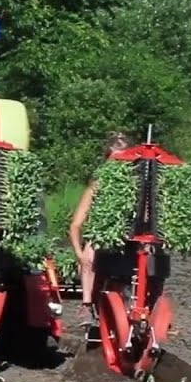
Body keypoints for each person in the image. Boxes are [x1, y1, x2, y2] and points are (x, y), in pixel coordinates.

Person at [67, 131, 131, 327]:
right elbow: (76, 225)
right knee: (90, 252)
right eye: (114, 161)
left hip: (128, 242)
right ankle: (86, 305)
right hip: (102, 244)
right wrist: (79, 254)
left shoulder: (136, 187)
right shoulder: (97, 187)